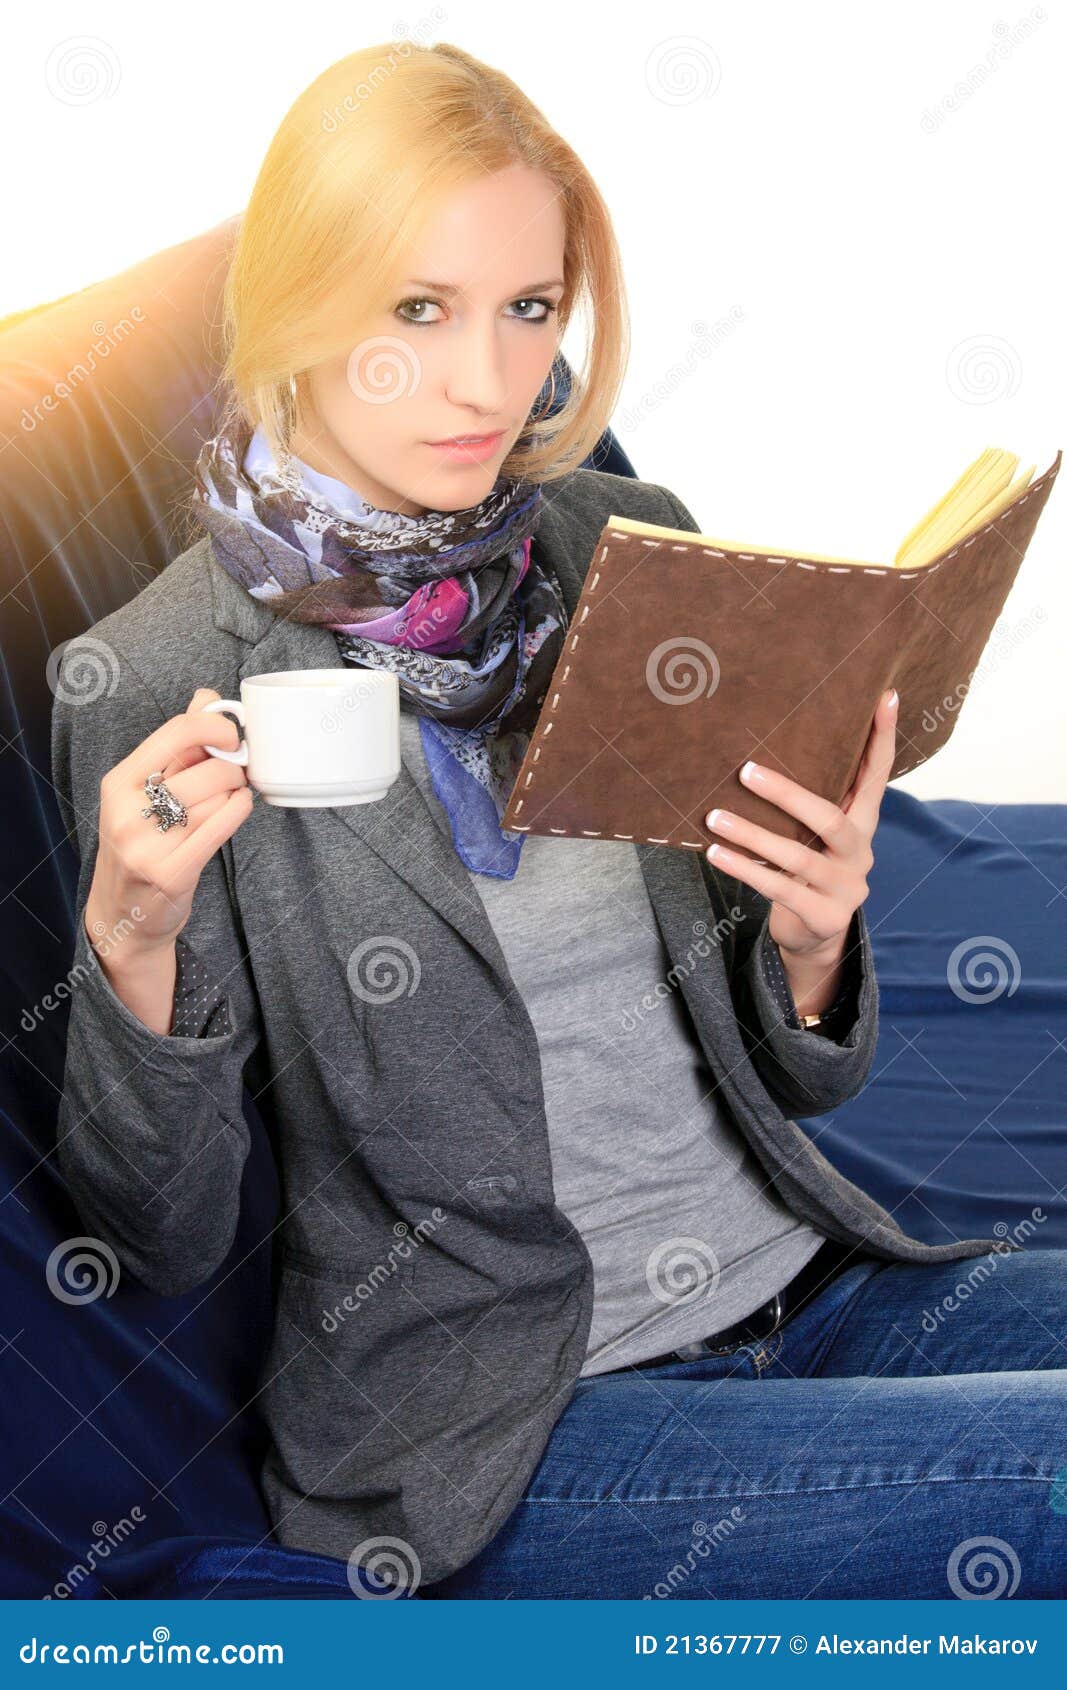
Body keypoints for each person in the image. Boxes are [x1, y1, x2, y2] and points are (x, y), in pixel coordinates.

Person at [50, 41, 1066, 1600]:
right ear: (301, 306)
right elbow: (158, 1233)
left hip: (815, 1281)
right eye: (419, 309)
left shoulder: (623, 545)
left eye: (529, 307)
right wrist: (130, 942)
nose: (489, 381)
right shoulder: (160, 674)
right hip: (518, 1428)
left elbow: (796, 1068)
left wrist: (810, 944)